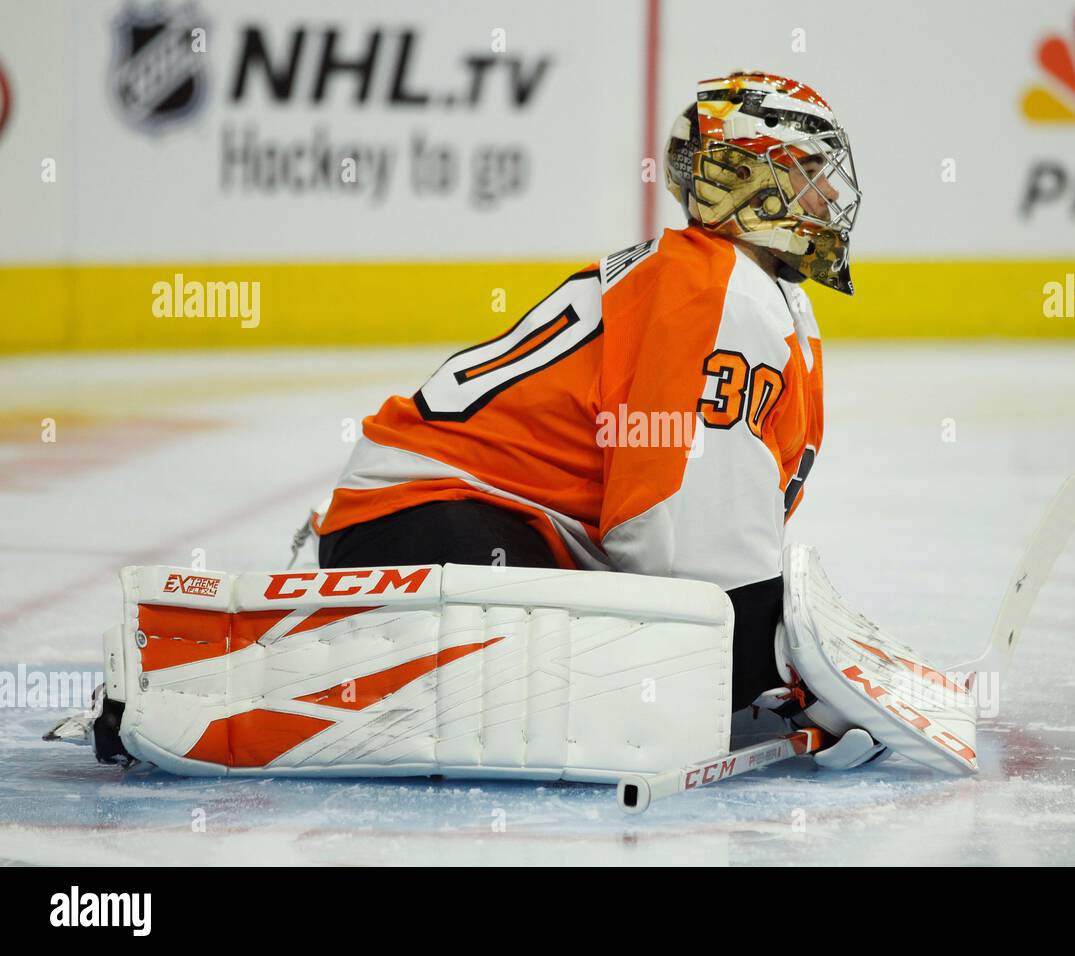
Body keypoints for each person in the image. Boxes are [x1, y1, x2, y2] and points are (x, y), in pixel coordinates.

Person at [315, 71, 860, 715]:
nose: (830, 192)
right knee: (651, 674)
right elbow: (666, 519)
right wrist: (751, 656)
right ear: (742, 177)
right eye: (808, 170)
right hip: (425, 519)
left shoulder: (752, 292)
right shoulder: (719, 290)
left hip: (443, 520)